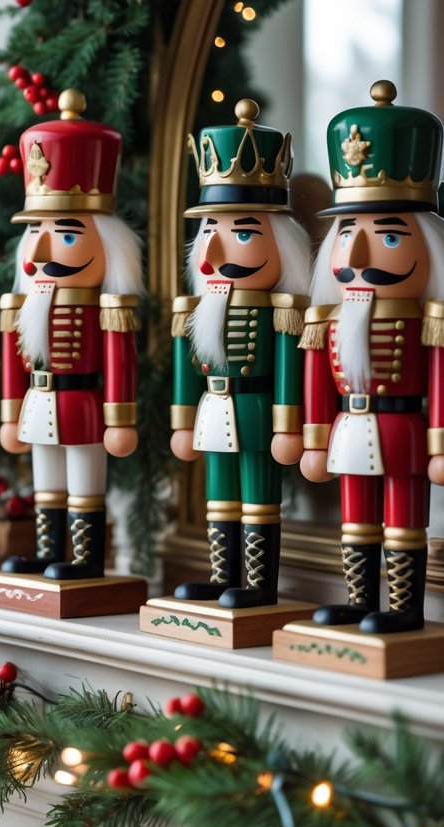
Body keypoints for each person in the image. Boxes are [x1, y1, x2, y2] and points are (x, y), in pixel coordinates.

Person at [300, 80, 444, 632]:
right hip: (348, 425)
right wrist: (313, 436)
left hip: (406, 428)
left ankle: (404, 609)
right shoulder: (327, 317)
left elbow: (438, 380)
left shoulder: (428, 319)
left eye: (386, 238)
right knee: (355, 518)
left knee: (404, 520)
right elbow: (316, 379)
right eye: (347, 235)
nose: (356, 256)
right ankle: (360, 600)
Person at [170, 99, 311, 607]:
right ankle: (221, 575)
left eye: (242, 231)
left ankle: (258, 584)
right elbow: (188, 372)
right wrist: (182, 421)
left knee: (258, 499)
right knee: (219, 498)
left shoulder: (282, 309)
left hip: (256, 411)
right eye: (209, 229)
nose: (214, 250)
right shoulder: (193, 306)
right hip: (211, 409)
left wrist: (290, 425)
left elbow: (290, 369)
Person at [0, 89, 142, 580]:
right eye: (34, 230)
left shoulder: (106, 307)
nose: (39, 249)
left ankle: (84, 557)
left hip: (83, 404)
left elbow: (120, 362)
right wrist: (10, 411)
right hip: (38, 404)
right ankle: (48, 550)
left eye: (64, 233)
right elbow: (13, 362)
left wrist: (120, 418)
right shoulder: (22, 304)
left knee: (84, 481)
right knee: (47, 483)